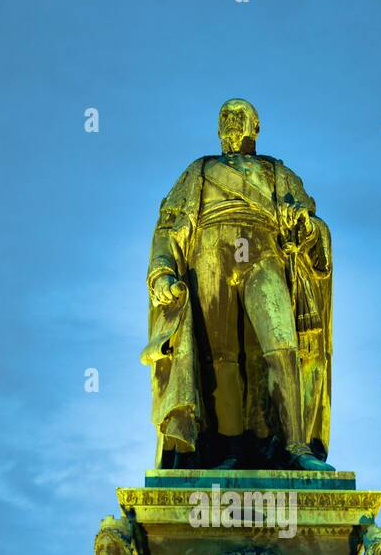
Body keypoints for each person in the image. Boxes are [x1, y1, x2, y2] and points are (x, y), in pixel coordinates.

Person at [142, 98, 334, 470]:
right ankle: (227, 450)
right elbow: (171, 223)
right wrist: (162, 269)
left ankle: (296, 447)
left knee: (282, 345)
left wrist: (306, 226)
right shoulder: (199, 170)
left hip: (262, 248)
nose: (231, 122)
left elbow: (307, 220)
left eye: (239, 115)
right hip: (210, 249)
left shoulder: (278, 172)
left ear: (255, 127)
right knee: (220, 356)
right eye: (224, 117)